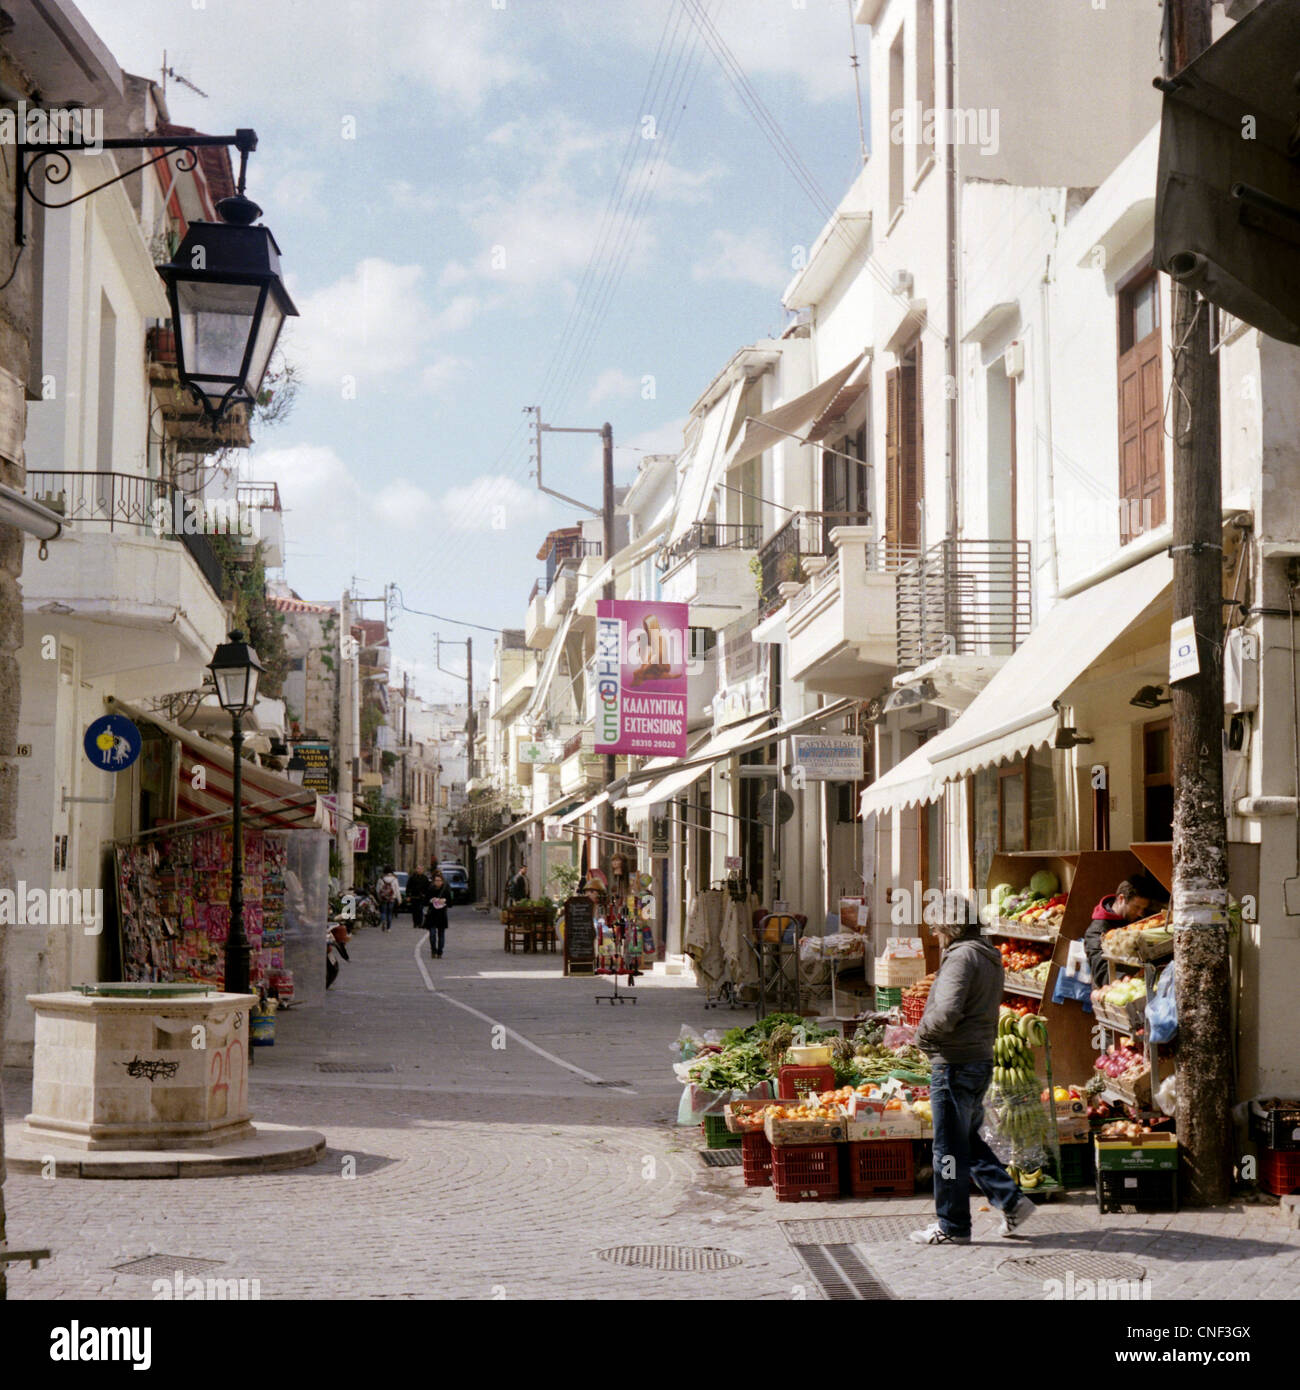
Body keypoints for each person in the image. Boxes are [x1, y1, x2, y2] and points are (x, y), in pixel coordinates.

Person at [909, 913, 1037, 1245]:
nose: (935, 934)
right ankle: (1011, 1201)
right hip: (978, 1059)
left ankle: (951, 1225)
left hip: (954, 1063)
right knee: (965, 1139)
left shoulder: (961, 956)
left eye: (936, 928)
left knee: (948, 1150)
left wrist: (923, 1034)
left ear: (949, 928)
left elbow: (948, 1010)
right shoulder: (986, 954)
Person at [1083, 876, 1158, 990]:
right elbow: (1101, 971)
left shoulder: (1140, 919)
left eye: (1143, 908)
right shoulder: (1097, 930)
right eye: (1136, 907)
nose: (1140, 913)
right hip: (1124, 991)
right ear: (1121, 899)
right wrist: (1126, 980)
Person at [426, 871, 451, 959]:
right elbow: (426, 900)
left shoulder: (446, 890)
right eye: (436, 880)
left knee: (441, 934)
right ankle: (433, 950)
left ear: (442, 881)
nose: (437, 882)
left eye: (439, 880)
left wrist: (444, 900)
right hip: (432, 914)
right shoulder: (430, 889)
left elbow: (451, 903)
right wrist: (431, 900)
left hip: (441, 914)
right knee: (432, 934)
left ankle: (440, 951)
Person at [406, 864, 432, 930]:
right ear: (416, 869)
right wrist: (408, 895)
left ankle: (420, 923)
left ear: (423, 870)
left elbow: (428, 888)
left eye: (421, 869)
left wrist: (426, 895)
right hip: (414, 897)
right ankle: (415, 923)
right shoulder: (412, 878)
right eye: (418, 869)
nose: (419, 870)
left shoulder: (425, 878)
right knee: (414, 911)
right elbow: (408, 887)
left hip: (421, 897)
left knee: (420, 910)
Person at [376, 866, 401, 932]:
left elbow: (378, 890)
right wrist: (399, 899)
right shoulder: (394, 879)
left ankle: (383, 921)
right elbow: (397, 890)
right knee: (390, 913)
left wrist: (379, 897)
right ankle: (388, 928)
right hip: (392, 898)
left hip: (383, 898)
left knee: (383, 912)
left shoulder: (381, 879)